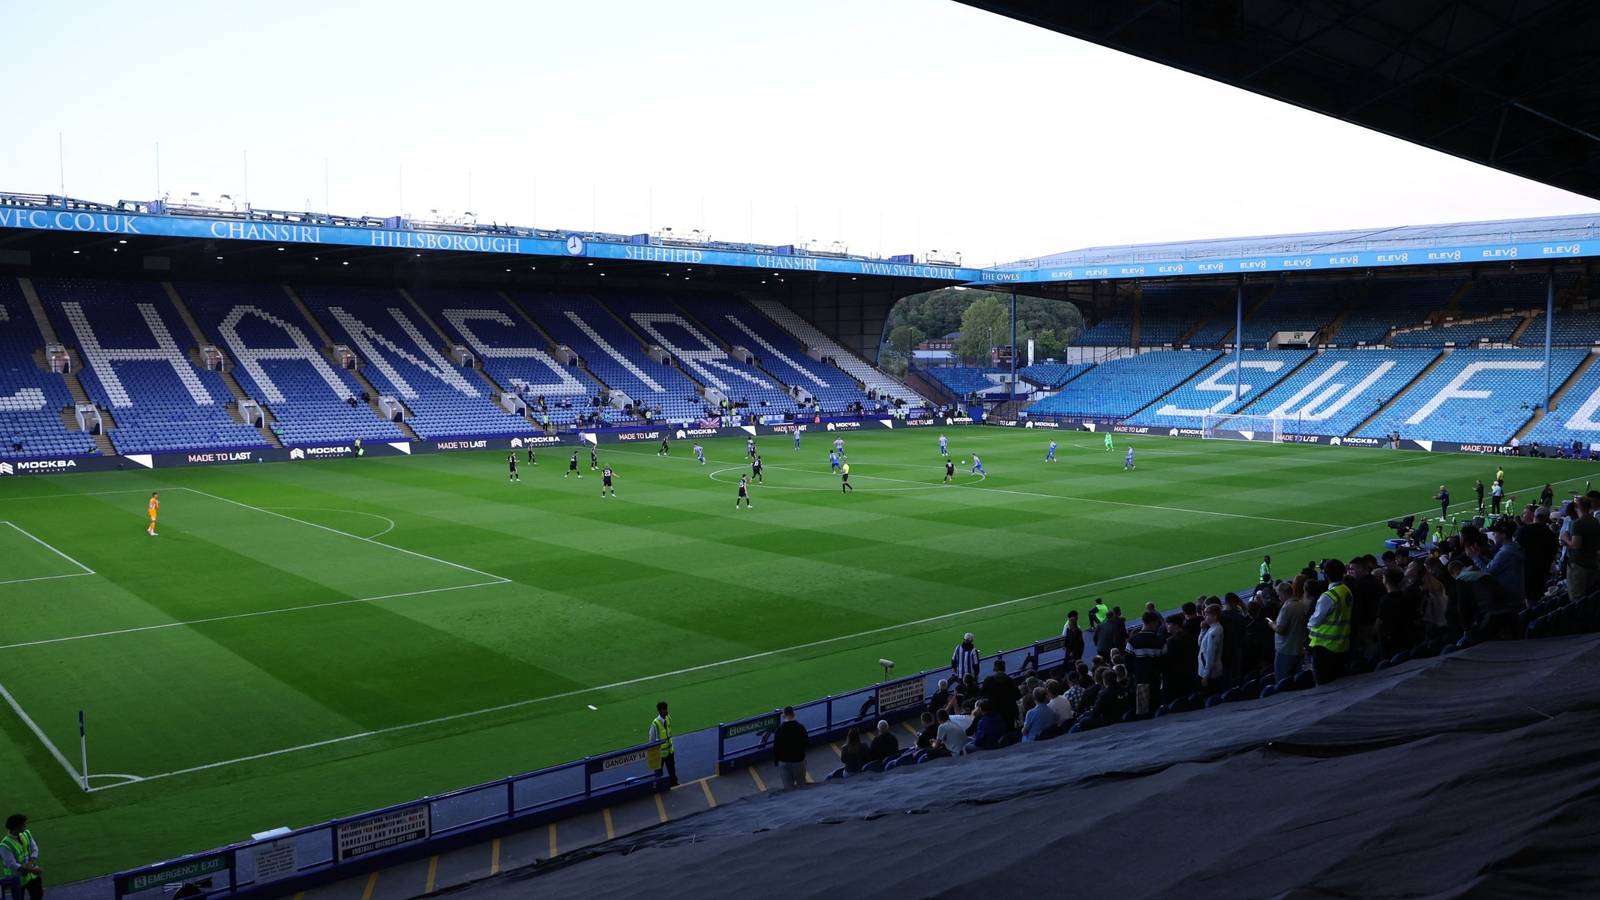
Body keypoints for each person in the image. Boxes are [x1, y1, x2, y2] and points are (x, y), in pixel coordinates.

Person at [1307, 560, 1352, 685]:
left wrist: (1308, 623)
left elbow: (1313, 622)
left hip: (1324, 648)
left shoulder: (1328, 596)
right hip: (1342, 645)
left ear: (1325, 575)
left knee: (1323, 685)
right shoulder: (1346, 591)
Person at [1268, 580, 1309, 684]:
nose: (1278, 597)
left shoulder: (1287, 607)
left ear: (1283, 593)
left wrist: (1272, 624)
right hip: (1298, 647)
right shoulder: (1301, 604)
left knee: (1282, 681)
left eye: (1279, 595)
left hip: (1286, 650)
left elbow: (1280, 629)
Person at [0, 814, 40, 900]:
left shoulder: (26, 833)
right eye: (23, 824)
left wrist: (30, 863)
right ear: (16, 827)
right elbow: (12, 865)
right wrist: (32, 869)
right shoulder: (5, 845)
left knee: (38, 895)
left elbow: (34, 849)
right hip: (16, 879)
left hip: (31, 876)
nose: (25, 825)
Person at [772, 706, 808, 790]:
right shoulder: (800, 727)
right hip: (798, 761)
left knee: (788, 789)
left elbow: (776, 748)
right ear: (794, 714)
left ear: (783, 716)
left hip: (784, 762)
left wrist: (776, 762)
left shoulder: (779, 730)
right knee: (802, 786)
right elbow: (806, 743)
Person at [648, 701, 678, 786]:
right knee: (658, 772)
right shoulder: (655, 724)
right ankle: (659, 786)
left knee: (672, 769)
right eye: (665, 709)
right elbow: (651, 740)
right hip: (659, 754)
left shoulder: (668, 718)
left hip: (669, 751)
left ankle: (674, 783)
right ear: (661, 710)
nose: (667, 711)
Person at [1198, 605, 1225, 692]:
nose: (1204, 617)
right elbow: (1200, 644)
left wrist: (1206, 675)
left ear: (1215, 616)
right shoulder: (1211, 629)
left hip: (1211, 673)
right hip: (1207, 670)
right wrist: (1202, 630)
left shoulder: (1215, 631)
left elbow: (1211, 654)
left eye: (1207, 614)